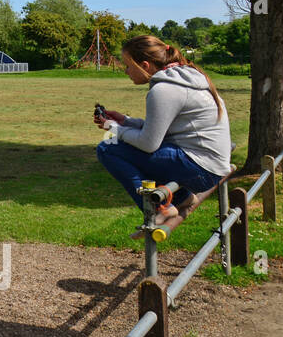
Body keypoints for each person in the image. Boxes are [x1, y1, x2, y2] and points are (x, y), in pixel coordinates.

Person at [94, 35, 232, 238]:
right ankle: (182, 199)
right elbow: (162, 128)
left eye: (128, 66)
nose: (126, 71)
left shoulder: (163, 89)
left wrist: (113, 129)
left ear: (145, 65)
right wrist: (126, 121)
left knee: (107, 148)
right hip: (211, 167)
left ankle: (160, 209)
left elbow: (148, 143)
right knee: (118, 147)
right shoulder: (185, 78)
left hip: (201, 170)